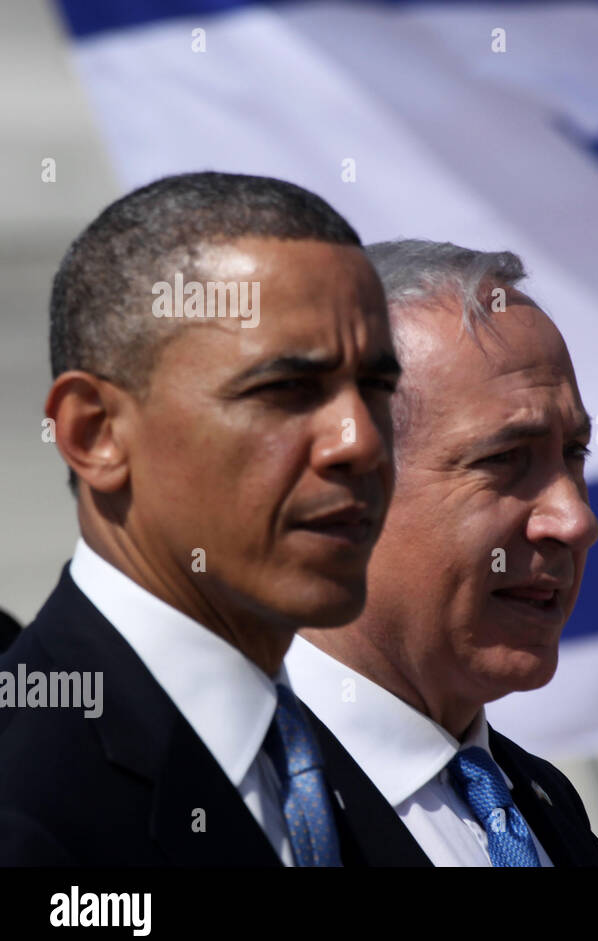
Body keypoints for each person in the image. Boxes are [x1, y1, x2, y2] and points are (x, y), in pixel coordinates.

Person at [0, 172, 428, 866]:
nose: (362, 442)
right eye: (287, 388)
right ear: (94, 433)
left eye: (377, 387)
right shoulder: (30, 812)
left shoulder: (361, 774)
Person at [286, 239, 598, 866]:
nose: (575, 520)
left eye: (575, 454)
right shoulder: (217, 808)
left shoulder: (541, 806)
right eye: (504, 459)